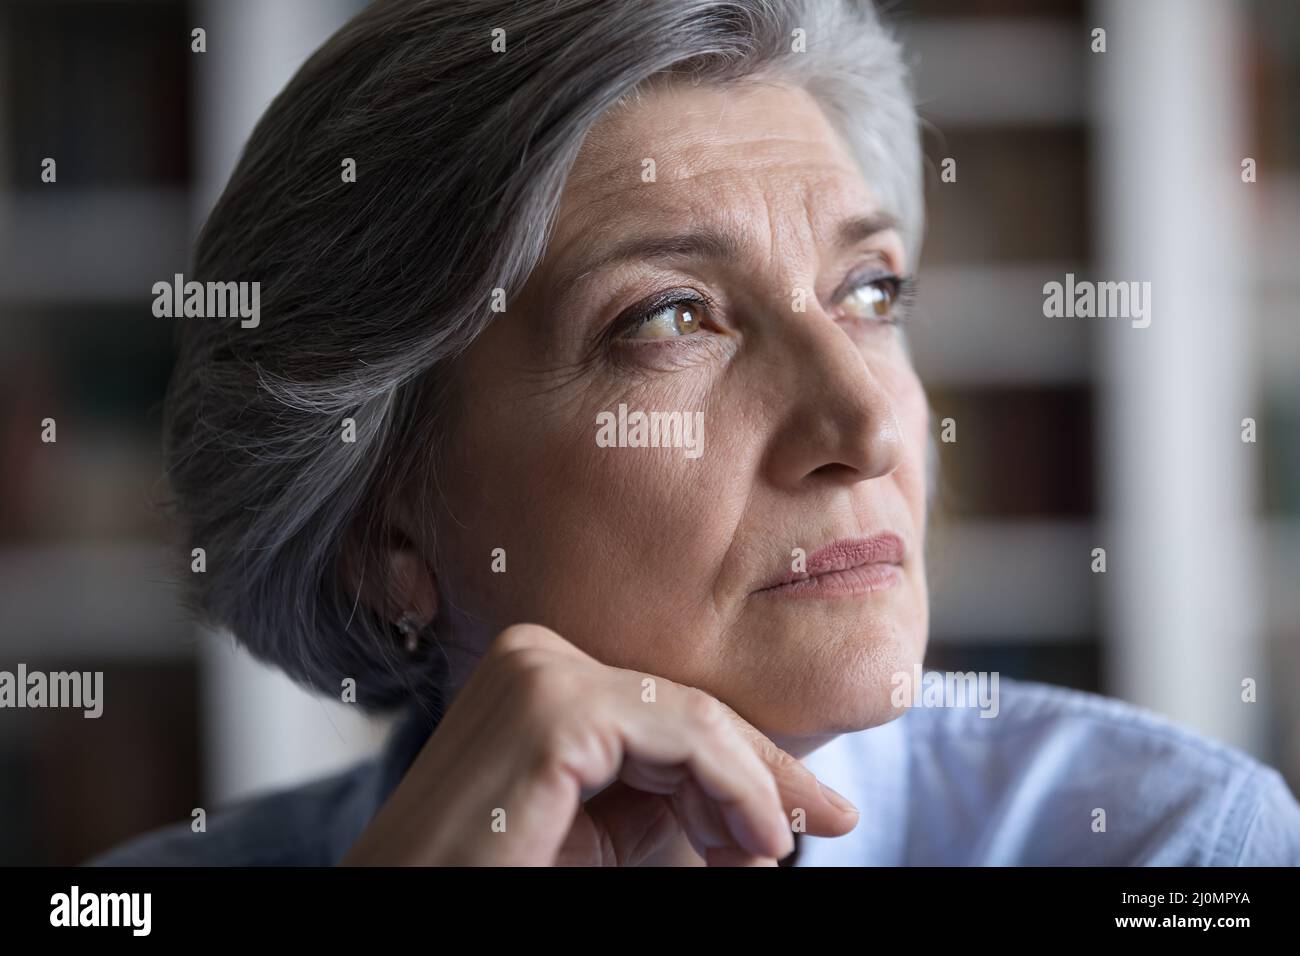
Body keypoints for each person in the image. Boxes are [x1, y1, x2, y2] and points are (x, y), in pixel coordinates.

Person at [89, 0, 1300, 866]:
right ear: (385, 524)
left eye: (869, 291)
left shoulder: (1178, 845)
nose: (870, 422)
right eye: (670, 317)